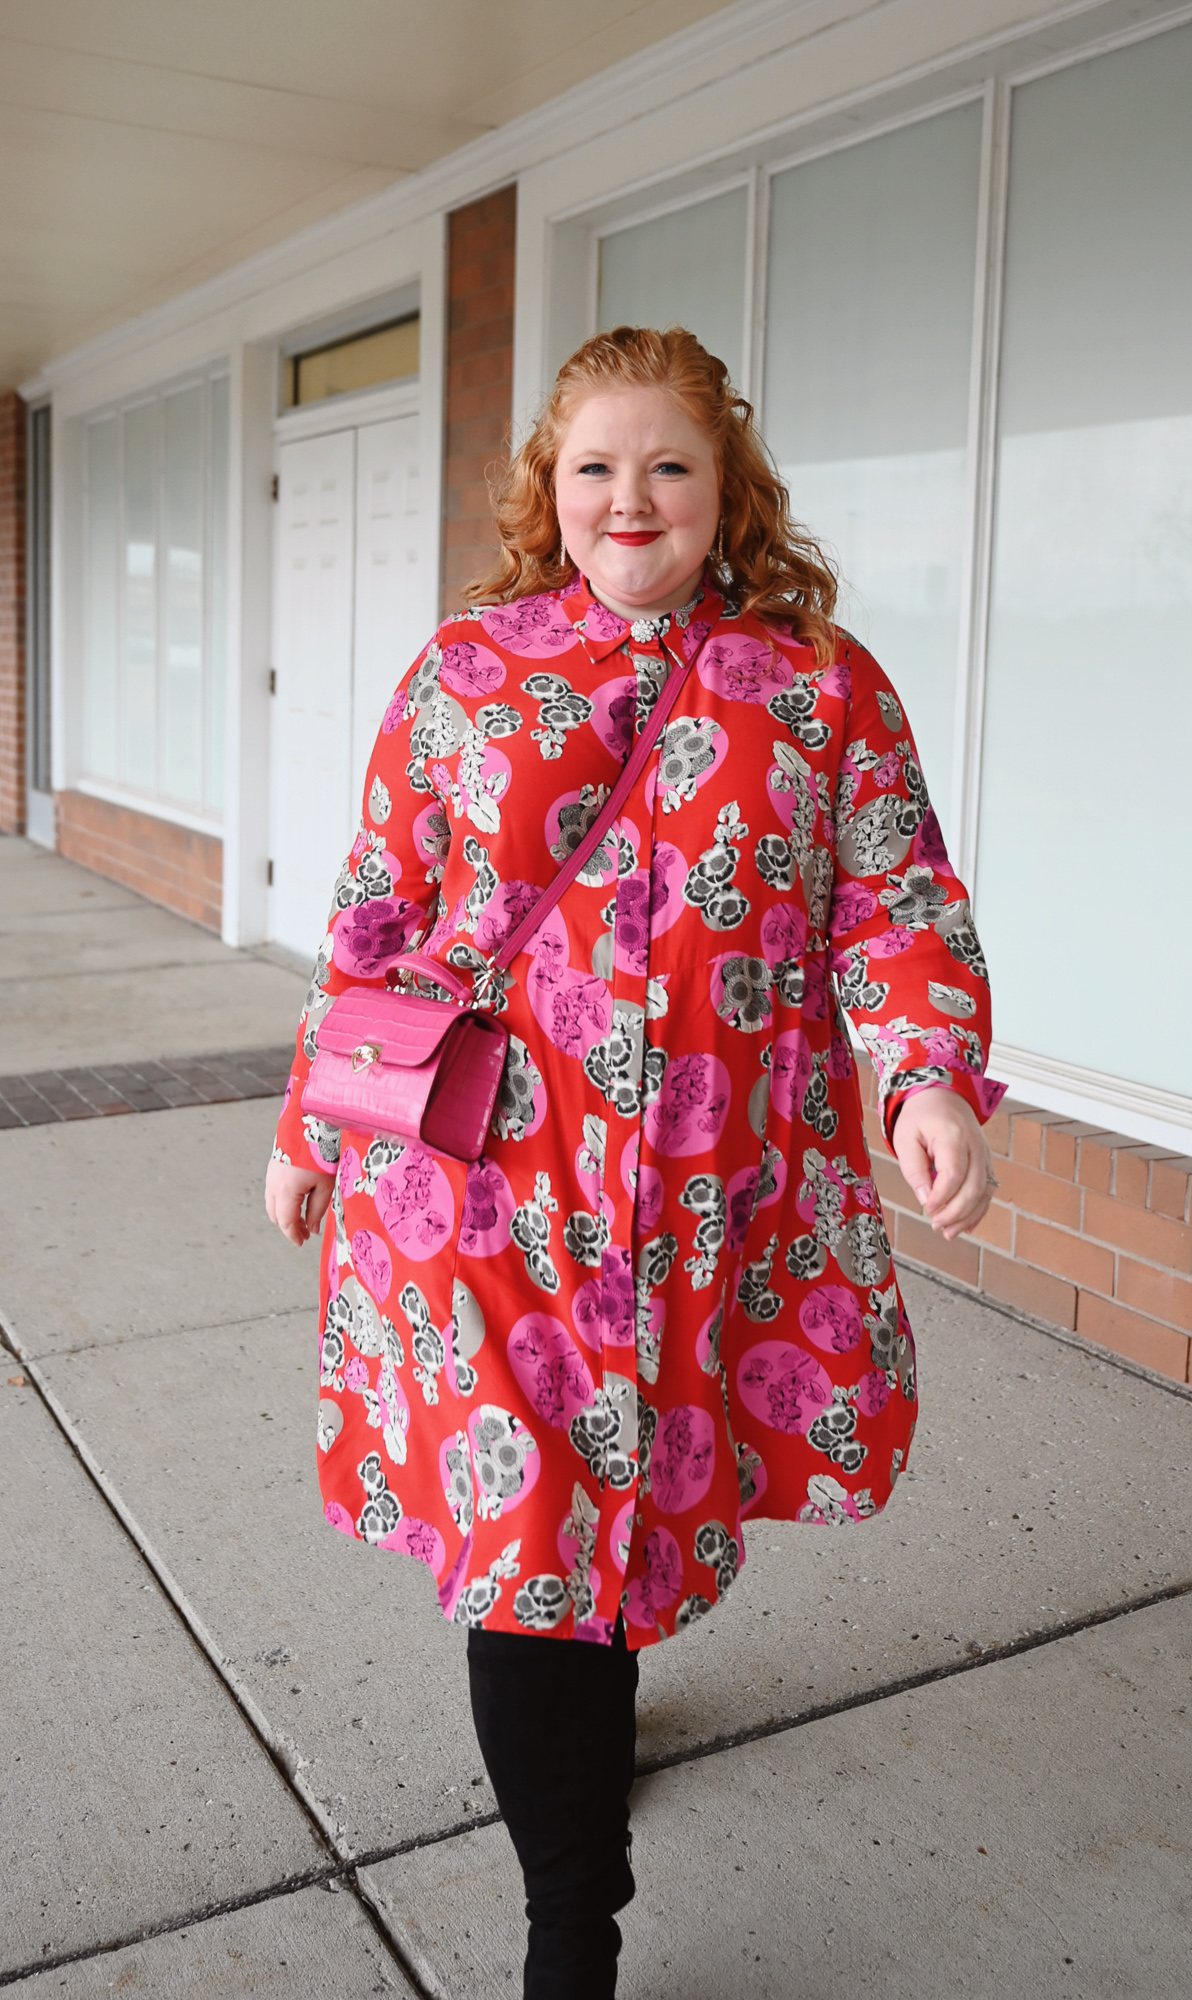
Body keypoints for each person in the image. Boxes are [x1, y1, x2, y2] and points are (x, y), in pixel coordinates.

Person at [265, 325, 1004, 1997]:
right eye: (595, 465)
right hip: (482, 1197)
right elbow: (379, 910)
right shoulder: (465, 673)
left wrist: (924, 1083)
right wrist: (311, 1123)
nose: (631, 497)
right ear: (551, 490)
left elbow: (892, 905)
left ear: (726, 488)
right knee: (534, 1546)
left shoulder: (820, 685)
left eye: (669, 464)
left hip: (710, 1200)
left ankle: (596, 1726)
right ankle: (567, 1928)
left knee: (636, 1529)